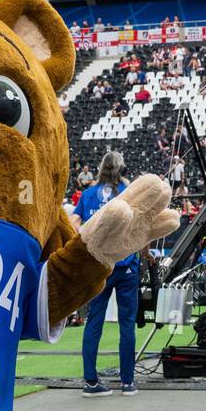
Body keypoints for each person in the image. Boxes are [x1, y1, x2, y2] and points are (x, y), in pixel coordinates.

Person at [72, 150, 140, 396]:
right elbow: (140, 226)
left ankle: (90, 382)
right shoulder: (127, 192)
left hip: (98, 265)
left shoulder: (88, 194)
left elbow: (75, 222)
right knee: (127, 324)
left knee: (94, 322)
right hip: (125, 265)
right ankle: (128, 382)